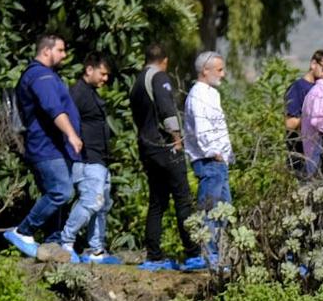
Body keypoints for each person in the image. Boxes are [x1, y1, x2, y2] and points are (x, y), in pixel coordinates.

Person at [4, 35, 83, 258]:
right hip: (46, 147)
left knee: (55, 194)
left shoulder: (49, 76)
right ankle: (23, 230)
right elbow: (53, 108)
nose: (64, 55)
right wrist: (71, 135)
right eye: (60, 50)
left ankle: (53, 244)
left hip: (55, 148)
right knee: (61, 191)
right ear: (46, 51)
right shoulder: (40, 76)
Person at [130, 42, 201, 272]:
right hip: (164, 146)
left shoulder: (137, 83)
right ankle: (193, 254)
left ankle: (154, 256)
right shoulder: (159, 78)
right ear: (165, 61)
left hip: (147, 148)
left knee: (157, 202)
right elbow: (167, 109)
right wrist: (177, 139)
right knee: (182, 198)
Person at [59, 56, 119, 263]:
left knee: (102, 206)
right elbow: (62, 117)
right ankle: (65, 242)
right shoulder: (77, 93)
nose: (105, 78)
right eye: (102, 74)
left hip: (99, 160)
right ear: (89, 69)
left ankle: (96, 250)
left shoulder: (91, 93)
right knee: (91, 202)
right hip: (86, 160)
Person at [185, 51, 233, 268]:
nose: (223, 74)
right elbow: (202, 127)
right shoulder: (197, 95)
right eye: (219, 69)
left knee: (224, 209)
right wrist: (214, 151)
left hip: (219, 161)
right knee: (210, 209)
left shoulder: (212, 94)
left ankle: (221, 254)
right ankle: (208, 254)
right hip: (209, 160)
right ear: (205, 70)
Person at [284, 49, 323, 175]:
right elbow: (290, 123)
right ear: (313, 64)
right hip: (301, 157)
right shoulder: (297, 88)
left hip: (320, 157)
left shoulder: (322, 89)